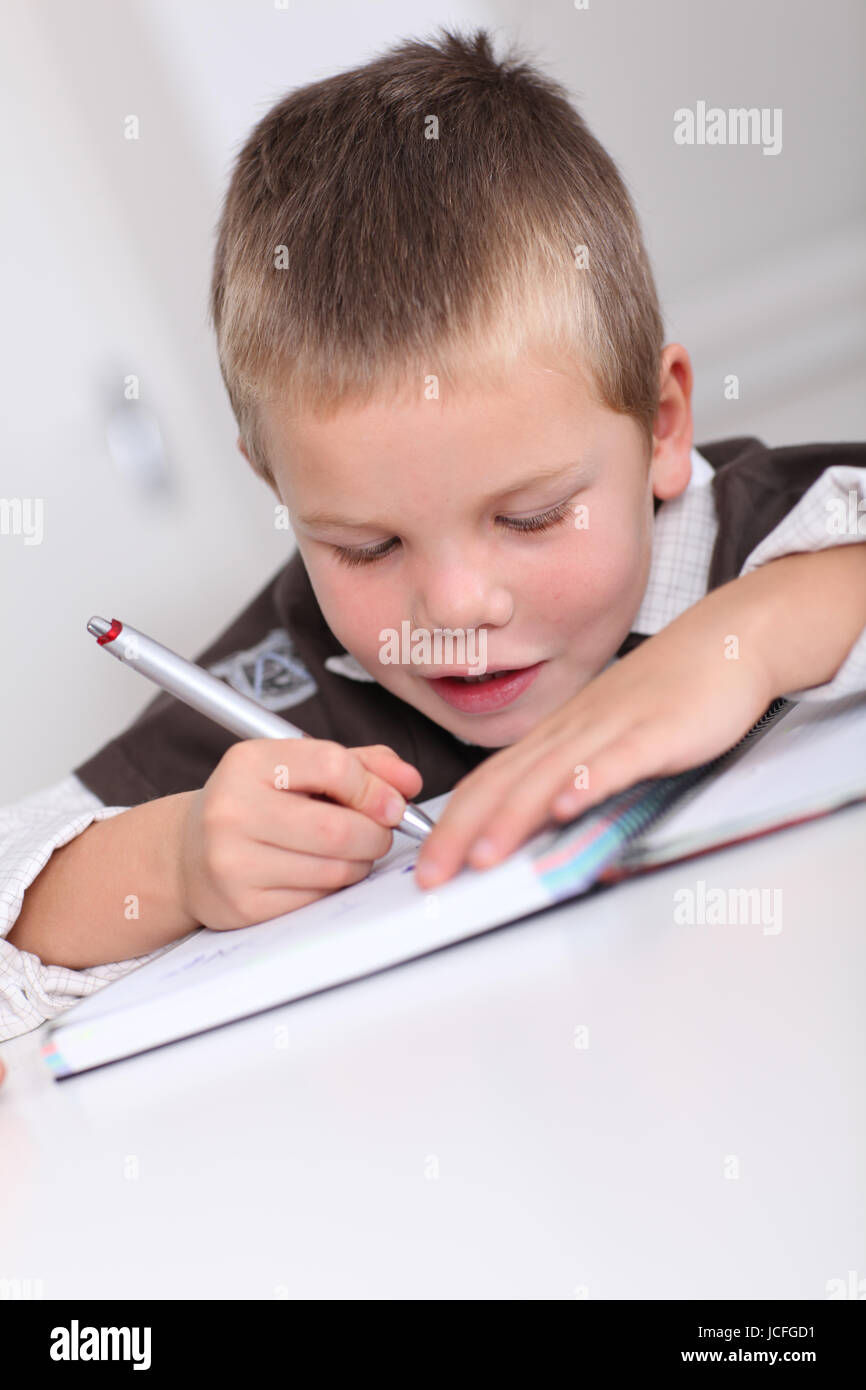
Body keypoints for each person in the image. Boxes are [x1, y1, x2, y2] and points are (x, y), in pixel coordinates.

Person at [1, 27, 864, 1047]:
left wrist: (752, 638)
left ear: (661, 424)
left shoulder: (776, 528)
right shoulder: (283, 676)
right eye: (365, 548)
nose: (454, 607)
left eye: (530, 517)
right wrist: (176, 861)